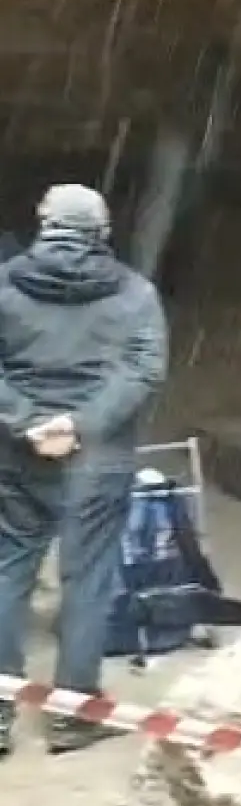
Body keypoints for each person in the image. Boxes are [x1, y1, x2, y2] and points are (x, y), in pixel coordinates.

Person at [0, 185, 167, 757]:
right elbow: (144, 369)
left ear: (43, 222)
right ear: (104, 229)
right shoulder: (134, 291)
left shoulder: (5, 283)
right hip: (98, 459)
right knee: (88, 581)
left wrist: (27, 421)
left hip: (15, 456)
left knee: (7, 572)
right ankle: (72, 715)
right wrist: (83, 424)